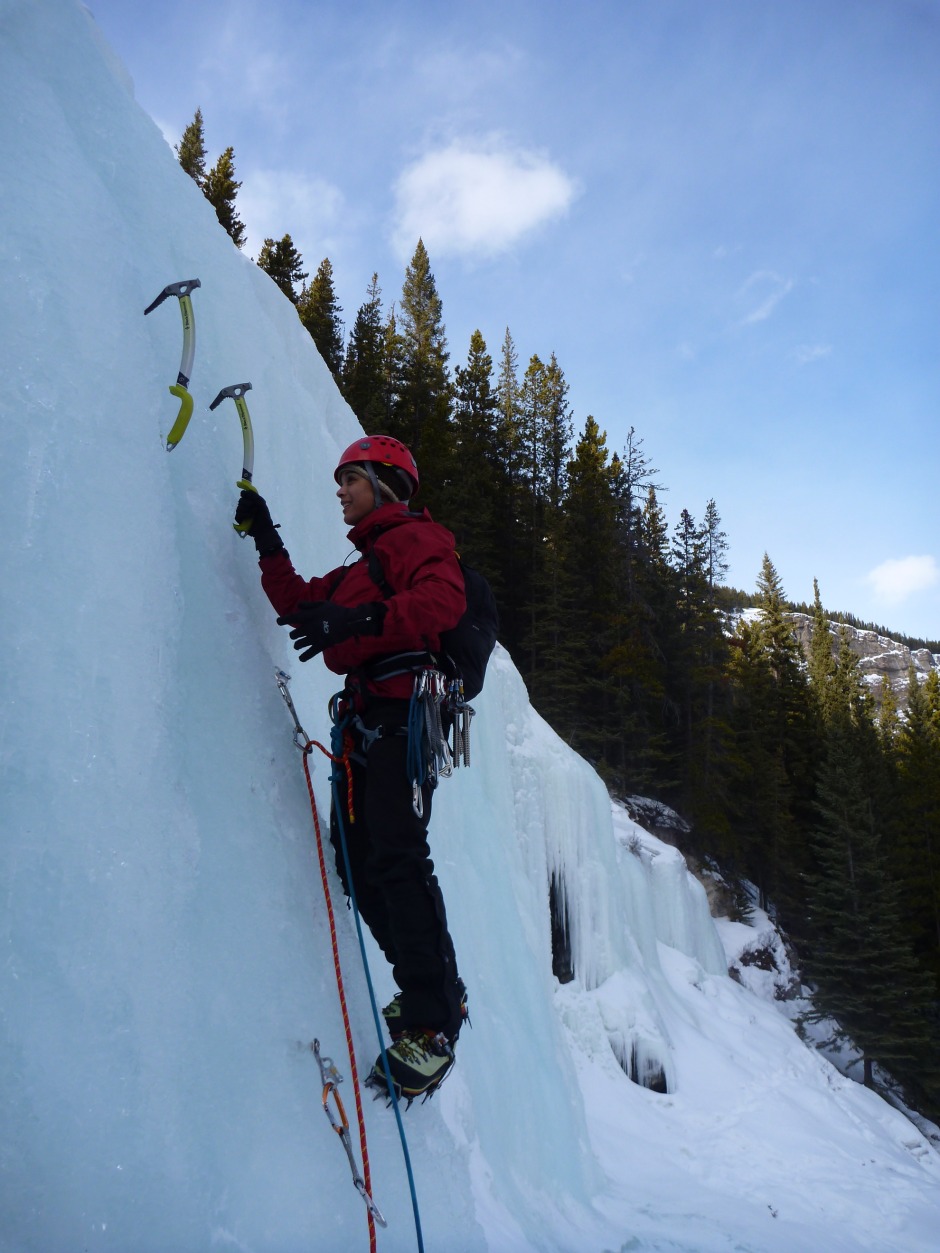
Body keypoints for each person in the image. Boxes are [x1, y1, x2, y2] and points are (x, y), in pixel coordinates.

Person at [235, 434, 467, 1100]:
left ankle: (434, 1025)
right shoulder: (361, 564)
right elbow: (303, 604)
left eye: (350, 479)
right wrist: (267, 538)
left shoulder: (415, 540)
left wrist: (359, 618)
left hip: (402, 723)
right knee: (359, 868)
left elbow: (442, 602)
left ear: (384, 482)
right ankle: (427, 986)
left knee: (396, 858)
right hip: (368, 726)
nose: (340, 490)